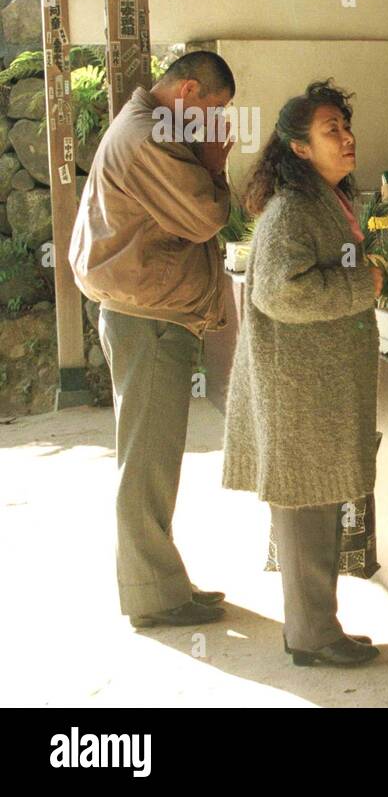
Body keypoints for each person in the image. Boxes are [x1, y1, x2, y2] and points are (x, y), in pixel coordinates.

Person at [70, 50, 237, 629]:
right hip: (146, 318)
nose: (218, 125)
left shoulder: (151, 125)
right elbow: (205, 217)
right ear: (188, 91)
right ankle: (153, 597)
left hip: (147, 311)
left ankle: (163, 583)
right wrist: (215, 165)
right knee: (146, 460)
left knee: (155, 457)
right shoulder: (148, 138)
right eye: (215, 110)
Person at [222, 80, 382, 668]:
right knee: (306, 514)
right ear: (299, 148)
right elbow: (279, 294)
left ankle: (316, 629)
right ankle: (312, 636)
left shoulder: (324, 199)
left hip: (313, 388)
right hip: (298, 391)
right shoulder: (293, 210)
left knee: (314, 512)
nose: (346, 137)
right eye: (330, 130)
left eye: (345, 125)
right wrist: (365, 284)